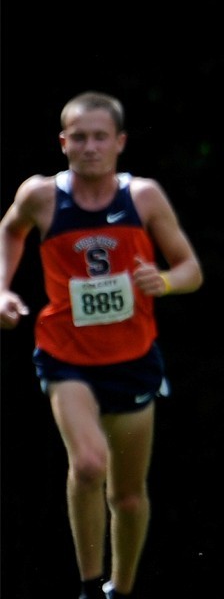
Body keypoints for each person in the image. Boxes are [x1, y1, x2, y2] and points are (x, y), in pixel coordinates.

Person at [0, 91, 203, 599]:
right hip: (65, 356)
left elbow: (190, 270)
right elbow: (9, 231)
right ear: (63, 142)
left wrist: (165, 282)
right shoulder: (41, 196)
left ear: (119, 143)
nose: (90, 147)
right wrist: (2, 288)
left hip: (134, 359)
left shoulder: (143, 197)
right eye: (79, 138)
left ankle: (121, 589)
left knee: (129, 497)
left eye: (100, 137)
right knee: (89, 464)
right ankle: (89, 587)